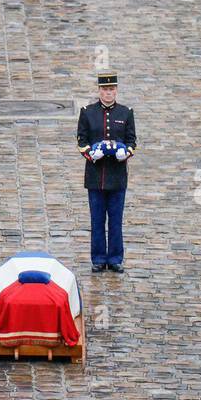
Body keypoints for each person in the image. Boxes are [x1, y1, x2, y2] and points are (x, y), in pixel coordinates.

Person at [76, 71, 137, 273]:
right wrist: (91, 155)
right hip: (95, 176)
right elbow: (81, 140)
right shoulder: (87, 112)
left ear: (116, 90)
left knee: (116, 220)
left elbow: (132, 141)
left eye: (111, 89)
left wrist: (126, 153)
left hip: (117, 176)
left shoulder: (126, 113)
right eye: (104, 89)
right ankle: (99, 258)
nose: (108, 93)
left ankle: (116, 258)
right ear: (99, 90)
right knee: (97, 220)